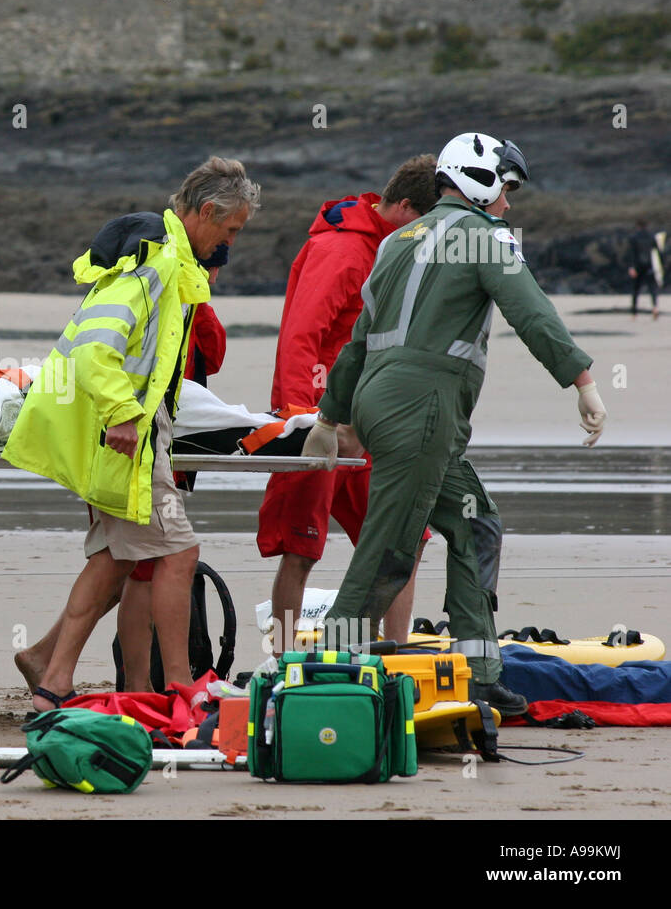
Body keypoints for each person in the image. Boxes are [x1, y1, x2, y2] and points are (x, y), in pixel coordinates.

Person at [305, 132, 607, 716]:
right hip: (420, 409)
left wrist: (330, 415)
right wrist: (584, 382)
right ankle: (326, 671)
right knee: (390, 548)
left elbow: (358, 341)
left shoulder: (396, 242)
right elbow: (532, 311)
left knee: (476, 524)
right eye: (507, 188)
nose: (509, 204)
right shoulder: (484, 238)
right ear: (480, 181)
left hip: (382, 403)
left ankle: (479, 671)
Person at [4, 156, 262, 713]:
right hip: (121, 435)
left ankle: (51, 672)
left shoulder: (172, 266)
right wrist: (123, 412)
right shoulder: (154, 261)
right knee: (179, 552)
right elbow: (95, 347)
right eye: (231, 229)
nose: (231, 243)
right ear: (206, 212)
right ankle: (180, 685)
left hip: (131, 434)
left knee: (118, 562)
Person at [259, 155, 438, 656]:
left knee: (405, 540)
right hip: (316, 418)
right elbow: (299, 336)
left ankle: (396, 655)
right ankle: (284, 661)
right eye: (426, 221)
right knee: (300, 549)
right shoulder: (342, 250)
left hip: (368, 421)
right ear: (403, 206)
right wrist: (303, 418)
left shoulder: (395, 247)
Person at [628, 219, 660, 320]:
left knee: (635, 289)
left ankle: (634, 312)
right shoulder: (651, 237)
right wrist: (659, 267)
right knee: (652, 288)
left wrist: (632, 267)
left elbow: (632, 254)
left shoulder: (633, 238)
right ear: (646, 226)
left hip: (638, 266)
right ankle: (654, 308)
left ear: (638, 226)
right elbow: (657, 253)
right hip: (649, 266)